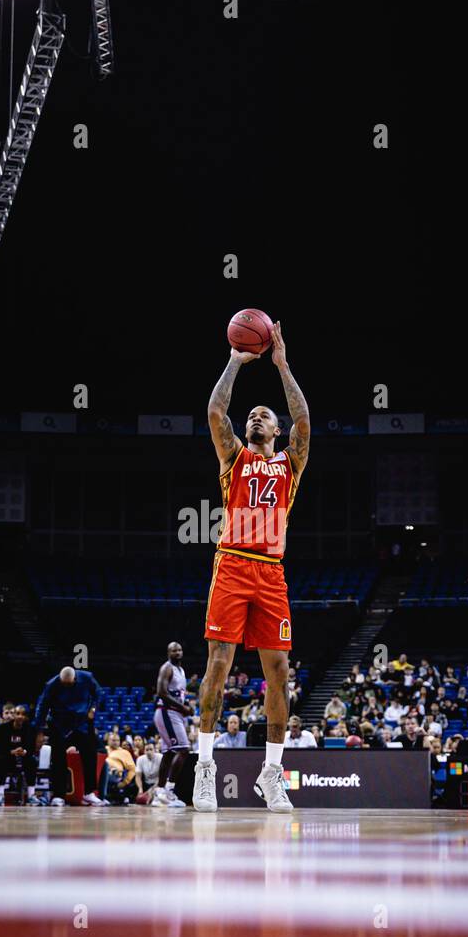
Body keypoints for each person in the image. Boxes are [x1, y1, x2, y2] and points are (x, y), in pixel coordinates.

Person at [194, 319, 310, 812]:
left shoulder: (289, 463)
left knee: (279, 673)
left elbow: (304, 421)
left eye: (264, 415)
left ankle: (271, 774)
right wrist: (235, 361)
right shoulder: (235, 460)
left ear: (276, 429)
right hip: (233, 566)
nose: (255, 418)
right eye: (252, 416)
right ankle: (204, 768)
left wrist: (281, 365)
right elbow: (216, 409)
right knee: (218, 667)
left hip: (271, 573)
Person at [33, 665, 103, 806]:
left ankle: (89, 793)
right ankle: (58, 795)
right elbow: (43, 706)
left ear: (75, 678)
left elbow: (99, 694)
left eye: (68, 684)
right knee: (58, 759)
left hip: (82, 722)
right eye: (63, 684)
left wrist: (93, 708)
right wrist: (39, 730)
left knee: (90, 755)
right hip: (60, 723)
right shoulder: (52, 685)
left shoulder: (87, 677)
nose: (66, 686)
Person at [152, 641, 191, 806]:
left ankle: (159, 793)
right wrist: (183, 707)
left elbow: (178, 693)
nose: (178, 652)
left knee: (169, 753)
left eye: (180, 649)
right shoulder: (167, 668)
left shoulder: (181, 670)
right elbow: (161, 692)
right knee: (184, 749)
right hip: (167, 711)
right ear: (168, 653)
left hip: (174, 712)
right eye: (174, 650)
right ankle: (169, 789)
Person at [0, 705, 40, 805]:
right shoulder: (3, 728)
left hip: (23, 758)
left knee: (32, 761)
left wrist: (24, 752)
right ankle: (0, 796)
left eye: (23, 714)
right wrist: (12, 752)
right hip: (8, 758)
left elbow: (31, 749)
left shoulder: (30, 729)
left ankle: (31, 796)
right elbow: (0, 749)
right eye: (18, 714)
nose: (20, 716)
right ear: (14, 715)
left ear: (26, 717)